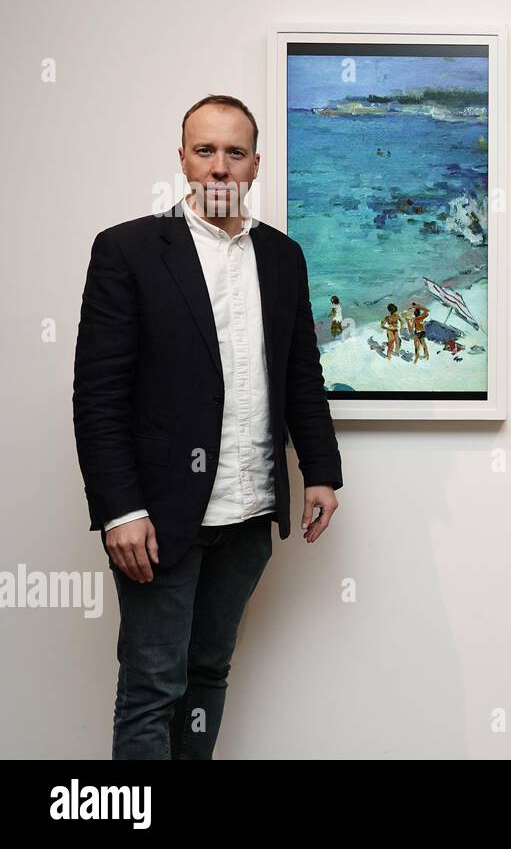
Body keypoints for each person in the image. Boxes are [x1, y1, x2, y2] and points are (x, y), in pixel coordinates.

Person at [72, 94, 343, 759]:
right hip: (160, 522)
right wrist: (120, 511)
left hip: (249, 515)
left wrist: (322, 472)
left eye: (234, 153)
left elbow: (299, 372)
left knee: (208, 675)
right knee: (152, 688)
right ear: (183, 159)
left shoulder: (283, 258)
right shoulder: (128, 250)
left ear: (254, 165)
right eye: (205, 151)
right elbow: (98, 395)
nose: (220, 167)